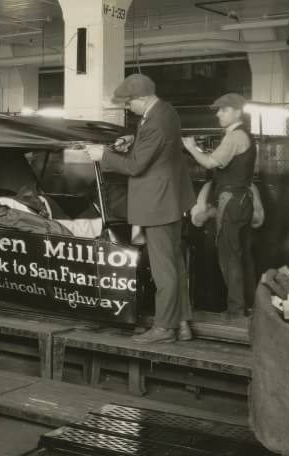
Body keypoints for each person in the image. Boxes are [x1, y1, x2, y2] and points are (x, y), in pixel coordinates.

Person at [86, 74, 195, 343]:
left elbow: (136, 167)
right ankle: (182, 323)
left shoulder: (155, 120)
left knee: (163, 269)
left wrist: (105, 156)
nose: (127, 108)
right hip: (170, 199)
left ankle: (164, 328)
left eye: (128, 103)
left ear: (143, 98)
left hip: (157, 203)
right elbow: (154, 148)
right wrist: (132, 141)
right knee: (174, 264)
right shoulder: (165, 112)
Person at [182, 93, 259, 319]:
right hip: (243, 199)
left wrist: (191, 148)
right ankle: (251, 306)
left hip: (230, 201)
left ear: (237, 112)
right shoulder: (246, 136)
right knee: (244, 255)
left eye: (223, 110)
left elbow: (210, 162)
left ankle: (235, 311)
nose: (218, 114)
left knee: (229, 257)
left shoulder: (234, 136)